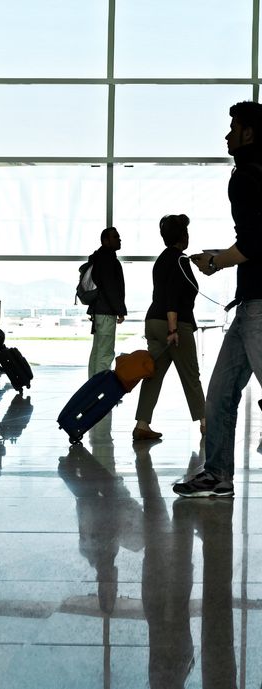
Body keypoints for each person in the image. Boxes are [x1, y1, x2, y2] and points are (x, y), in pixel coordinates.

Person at [175, 101, 262, 498]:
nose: (227, 135)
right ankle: (216, 474)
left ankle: (216, 473)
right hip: (248, 306)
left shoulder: (246, 177)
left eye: (233, 128)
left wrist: (216, 260)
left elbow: (255, 242)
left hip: (260, 304)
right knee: (220, 395)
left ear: (248, 134)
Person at [132, 214, 206, 442]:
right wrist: (173, 329)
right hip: (173, 324)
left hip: (153, 321)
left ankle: (142, 424)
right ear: (183, 236)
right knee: (191, 374)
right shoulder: (180, 260)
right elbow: (173, 295)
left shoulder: (162, 260)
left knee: (153, 375)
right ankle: (206, 422)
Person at [86, 227, 126, 377]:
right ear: (105, 241)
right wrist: (120, 310)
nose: (119, 239)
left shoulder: (98, 258)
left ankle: (92, 388)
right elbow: (111, 288)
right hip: (106, 312)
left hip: (98, 311)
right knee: (105, 354)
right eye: (115, 237)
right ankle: (101, 391)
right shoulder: (108, 259)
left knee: (97, 352)